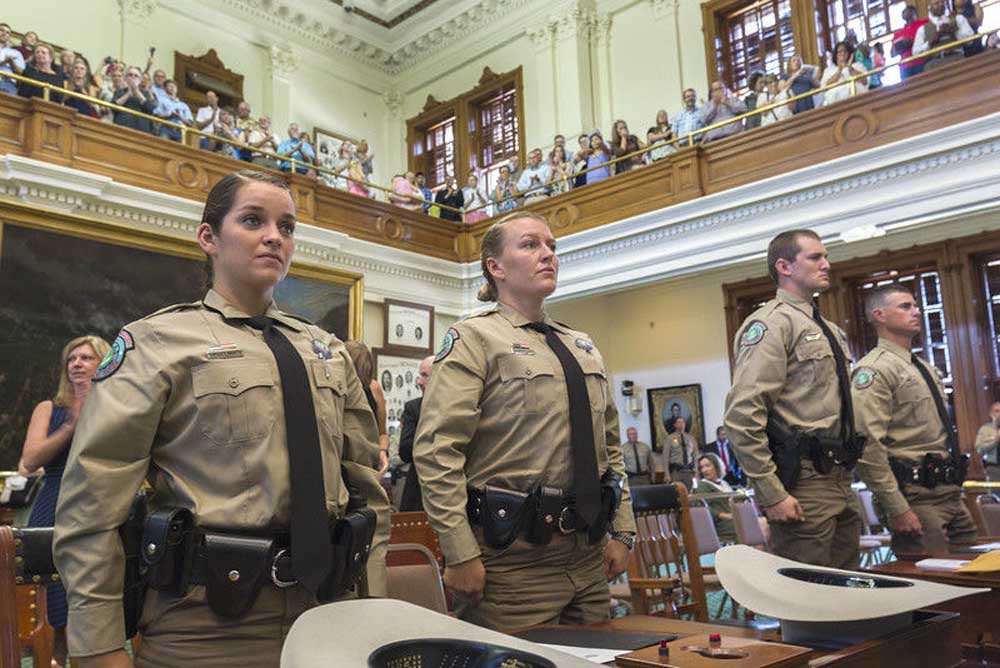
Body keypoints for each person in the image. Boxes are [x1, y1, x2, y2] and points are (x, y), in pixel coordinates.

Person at [52, 170, 390, 666]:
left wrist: (373, 601)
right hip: (206, 624)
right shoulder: (157, 342)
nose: (275, 236)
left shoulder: (326, 350)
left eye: (287, 226)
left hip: (328, 611)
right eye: (253, 220)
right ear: (209, 237)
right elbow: (92, 503)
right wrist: (99, 644)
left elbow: (367, 485)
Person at [413, 211, 635, 630]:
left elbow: (609, 450)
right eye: (531, 245)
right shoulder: (473, 339)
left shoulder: (581, 345)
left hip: (587, 559)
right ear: (495, 267)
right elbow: (437, 451)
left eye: (552, 245)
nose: (548, 253)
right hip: (512, 564)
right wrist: (459, 550)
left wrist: (623, 530)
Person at [724, 229, 863, 569]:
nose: (826, 264)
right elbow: (743, 416)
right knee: (810, 602)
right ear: (784, 266)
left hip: (841, 476)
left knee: (850, 602)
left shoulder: (828, 328)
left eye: (825, 256)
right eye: (815, 257)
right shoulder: (772, 324)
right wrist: (772, 492)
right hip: (803, 482)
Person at [853, 284, 977, 554]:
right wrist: (896, 506)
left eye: (916, 306)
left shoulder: (925, 369)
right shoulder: (874, 370)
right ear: (879, 315)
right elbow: (867, 446)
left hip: (949, 492)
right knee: (935, 583)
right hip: (914, 496)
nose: (917, 312)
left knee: (975, 580)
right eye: (905, 306)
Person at [18, 335, 111, 667]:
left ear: (105, 363)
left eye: (86, 358)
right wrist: (72, 423)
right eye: (72, 359)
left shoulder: (117, 406)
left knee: (93, 611)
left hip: (100, 507)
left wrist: (94, 411)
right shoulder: (49, 409)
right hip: (53, 508)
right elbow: (29, 461)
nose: (77, 364)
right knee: (53, 610)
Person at [344, 340, 390, 477]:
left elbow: (382, 433)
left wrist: (382, 451)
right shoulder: (335, 391)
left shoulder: (374, 388)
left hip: (369, 463)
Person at [398, 355, 435, 511]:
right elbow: (405, 451)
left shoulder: (459, 410)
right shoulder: (413, 408)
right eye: (420, 375)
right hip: (417, 493)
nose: (419, 381)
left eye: (425, 376)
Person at [913, 0, 974, 71]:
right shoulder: (922, 29)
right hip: (934, 65)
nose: (941, 5)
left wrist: (955, 31)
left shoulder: (958, 19)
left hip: (957, 59)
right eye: (936, 3)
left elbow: (970, 41)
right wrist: (931, 42)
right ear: (930, 7)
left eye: (942, 2)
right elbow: (916, 53)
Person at [691, 454, 739, 542]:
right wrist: (725, 515)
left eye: (708, 466)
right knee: (758, 526)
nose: (704, 470)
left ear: (717, 466)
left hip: (735, 517)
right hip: (721, 523)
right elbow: (702, 508)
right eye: (701, 467)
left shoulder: (724, 483)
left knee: (762, 522)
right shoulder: (702, 485)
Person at [821, 41, 868, 107]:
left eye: (845, 51)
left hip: (857, 101)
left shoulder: (858, 65)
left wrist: (850, 68)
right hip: (837, 104)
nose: (842, 53)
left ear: (849, 53)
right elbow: (825, 86)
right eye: (840, 51)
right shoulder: (828, 70)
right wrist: (839, 71)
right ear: (836, 54)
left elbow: (865, 81)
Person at [112, 66, 154, 133]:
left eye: (136, 76)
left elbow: (150, 109)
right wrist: (128, 94)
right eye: (130, 75)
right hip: (121, 128)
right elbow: (113, 107)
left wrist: (137, 92)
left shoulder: (145, 94)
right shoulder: (119, 91)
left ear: (140, 80)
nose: (133, 77)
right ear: (125, 78)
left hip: (141, 131)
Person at [892, 5, 930, 80]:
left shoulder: (924, 23)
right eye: (904, 11)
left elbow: (931, 37)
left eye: (908, 11)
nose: (905, 13)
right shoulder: (898, 33)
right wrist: (901, 47)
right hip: (905, 66)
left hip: (921, 61)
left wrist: (913, 42)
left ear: (914, 13)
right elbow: (892, 54)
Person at [664, 416, 699, 490]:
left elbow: (695, 456)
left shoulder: (691, 438)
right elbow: (665, 457)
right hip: (676, 472)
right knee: (678, 493)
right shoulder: (670, 438)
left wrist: (696, 472)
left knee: (691, 493)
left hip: (689, 472)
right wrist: (667, 474)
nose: (681, 424)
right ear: (675, 425)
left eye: (683, 422)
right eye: (679, 422)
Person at [975, 402, 1000, 481]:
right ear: (991, 414)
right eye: (997, 411)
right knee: (995, 492)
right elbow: (979, 449)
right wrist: (995, 442)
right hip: (993, 468)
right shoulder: (985, 429)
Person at [0, 23, 26, 96]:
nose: (4, 33)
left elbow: (21, 73)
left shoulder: (16, 53)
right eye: (1, 30)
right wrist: (4, 62)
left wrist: (12, 63)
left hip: (8, 85)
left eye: (7, 32)